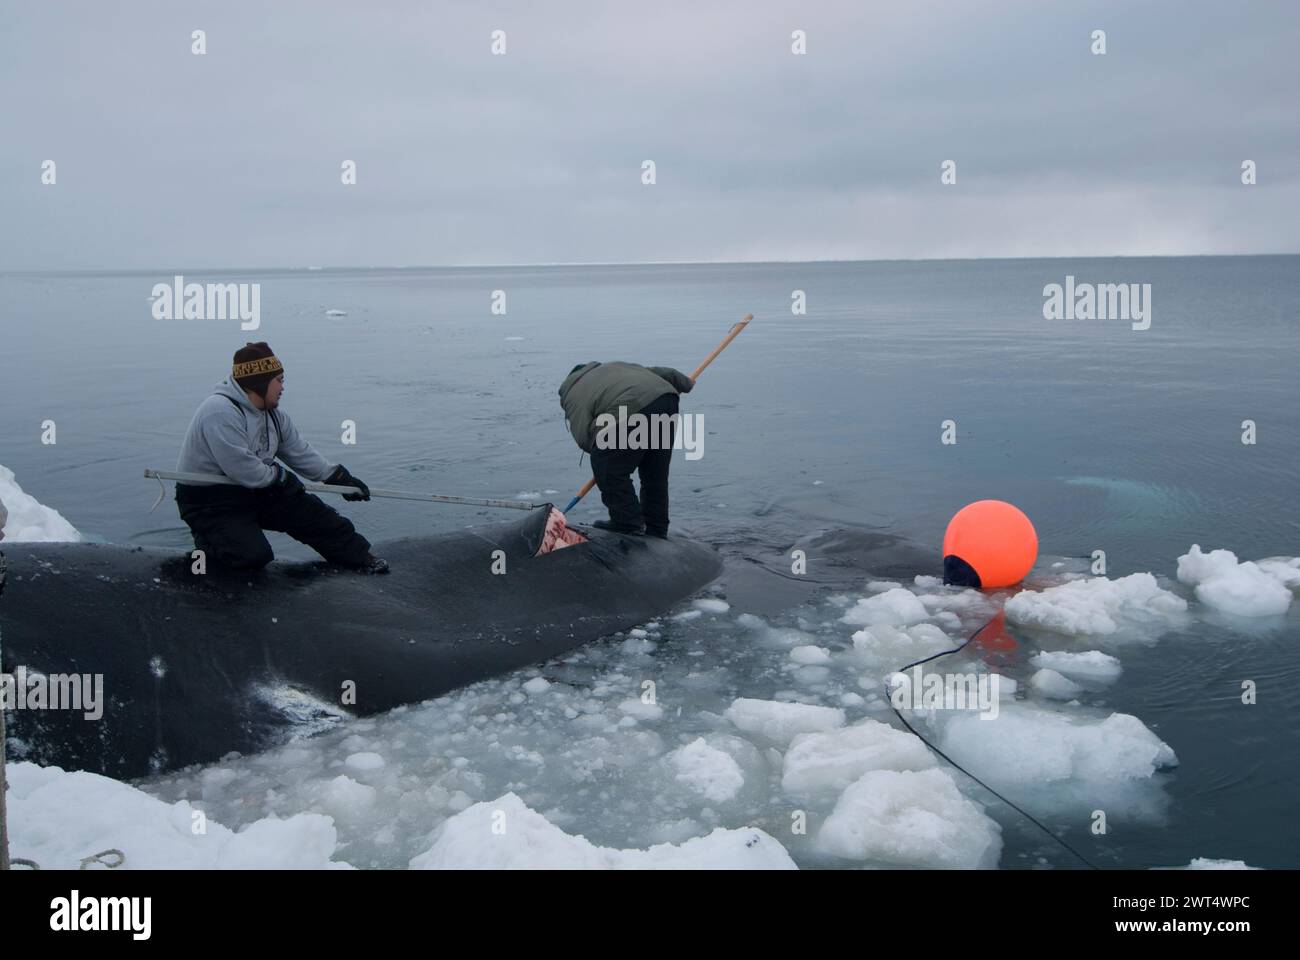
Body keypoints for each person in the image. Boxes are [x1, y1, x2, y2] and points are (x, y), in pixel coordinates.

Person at [175, 342, 388, 573]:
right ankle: (207, 549)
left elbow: (299, 452)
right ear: (259, 382)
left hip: (255, 488)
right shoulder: (219, 411)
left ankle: (358, 557)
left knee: (314, 515)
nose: (282, 387)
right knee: (252, 555)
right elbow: (243, 469)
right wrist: (281, 478)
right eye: (279, 380)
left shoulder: (274, 416)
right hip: (209, 500)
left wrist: (336, 477)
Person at [558, 361, 694, 538]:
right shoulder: (614, 367)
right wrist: (687, 384)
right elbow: (665, 373)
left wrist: (607, 455)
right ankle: (656, 528)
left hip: (630, 407)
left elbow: (584, 436)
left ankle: (627, 523)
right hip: (666, 399)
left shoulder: (573, 393)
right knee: (654, 474)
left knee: (608, 467)